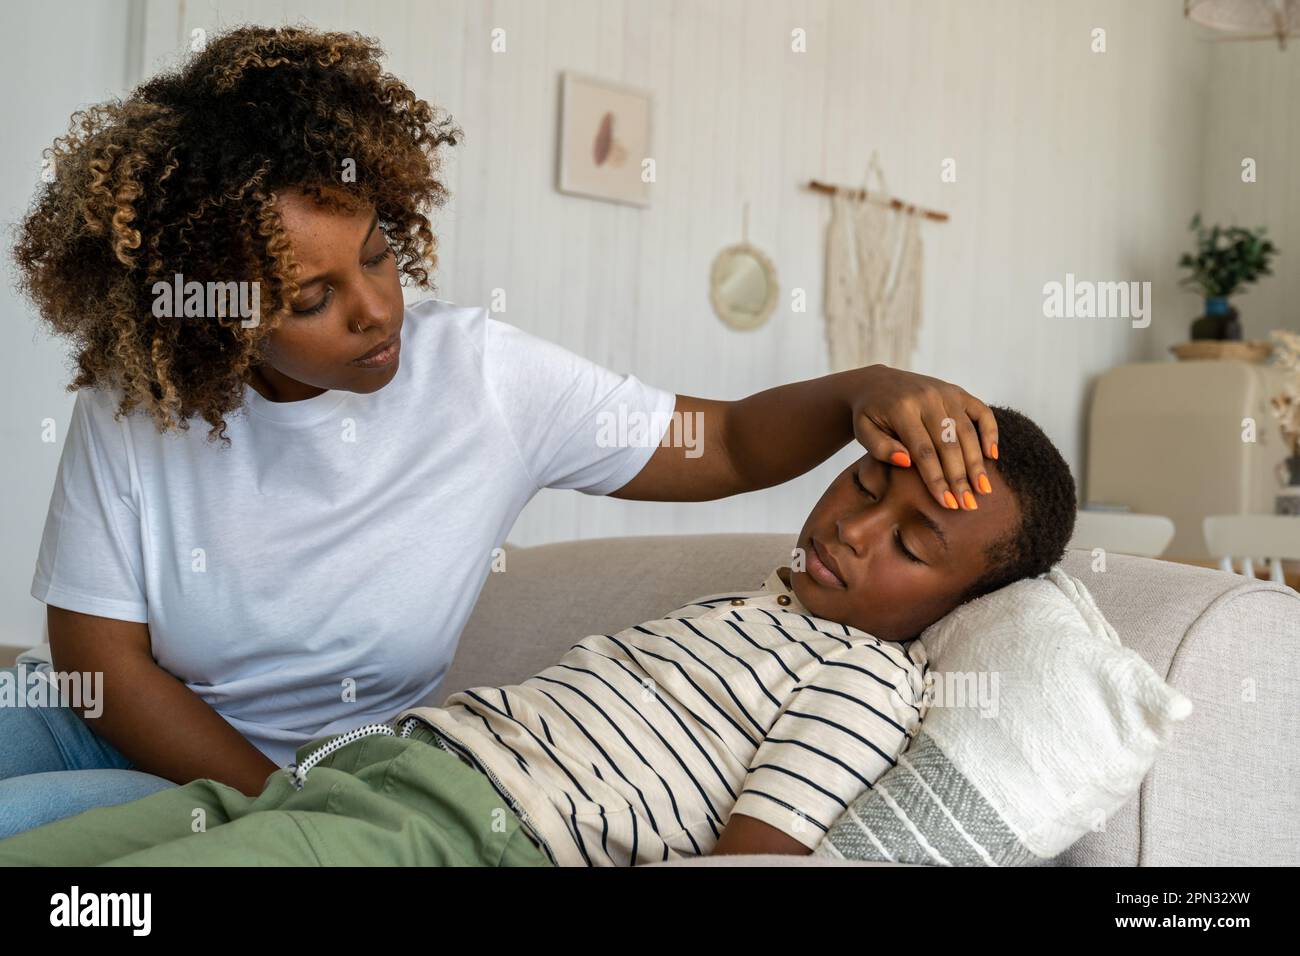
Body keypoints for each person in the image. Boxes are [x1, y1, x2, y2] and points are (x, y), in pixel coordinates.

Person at [2, 24, 1003, 837]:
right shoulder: (140, 404)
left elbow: (731, 444)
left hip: (292, 785)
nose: (377, 309)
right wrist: (282, 812)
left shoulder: (483, 378)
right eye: (313, 296)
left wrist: (859, 390)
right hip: (99, 725)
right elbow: (109, 669)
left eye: (379, 253)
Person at [0, 405, 1076, 865]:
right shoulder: (747, 606)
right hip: (346, 777)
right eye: (861, 483)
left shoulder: (863, 681)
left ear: (955, 604)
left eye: (912, 543)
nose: (850, 523)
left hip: (461, 833)